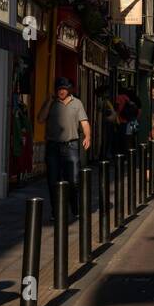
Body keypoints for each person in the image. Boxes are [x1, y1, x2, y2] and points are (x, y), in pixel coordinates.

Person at [39, 77, 91, 223]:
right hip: (53, 147)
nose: (61, 91)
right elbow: (40, 119)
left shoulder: (77, 103)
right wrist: (49, 101)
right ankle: (56, 211)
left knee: (73, 180)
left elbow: (84, 122)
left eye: (64, 88)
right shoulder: (51, 103)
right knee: (53, 181)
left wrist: (88, 136)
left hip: (71, 146)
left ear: (69, 89)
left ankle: (74, 208)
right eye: (59, 89)